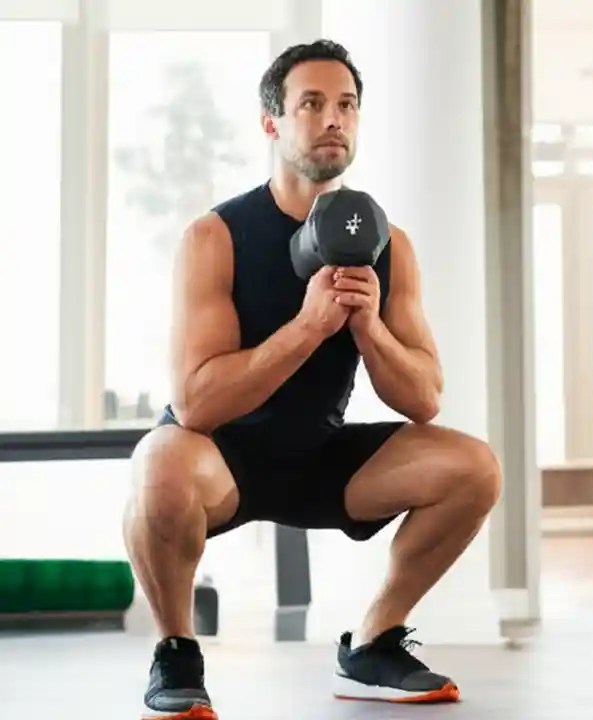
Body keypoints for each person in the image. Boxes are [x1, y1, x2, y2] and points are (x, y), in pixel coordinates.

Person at [122, 40, 501, 719]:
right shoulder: (216, 236)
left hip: (320, 455)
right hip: (219, 460)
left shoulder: (389, 244)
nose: (333, 119)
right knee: (157, 460)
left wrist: (366, 326)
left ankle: (374, 645)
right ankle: (176, 650)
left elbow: (423, 397)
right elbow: (197, 403)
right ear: (273, 123)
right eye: (312, 104)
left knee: (472, 467)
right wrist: (307, 327)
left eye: (347, 105)